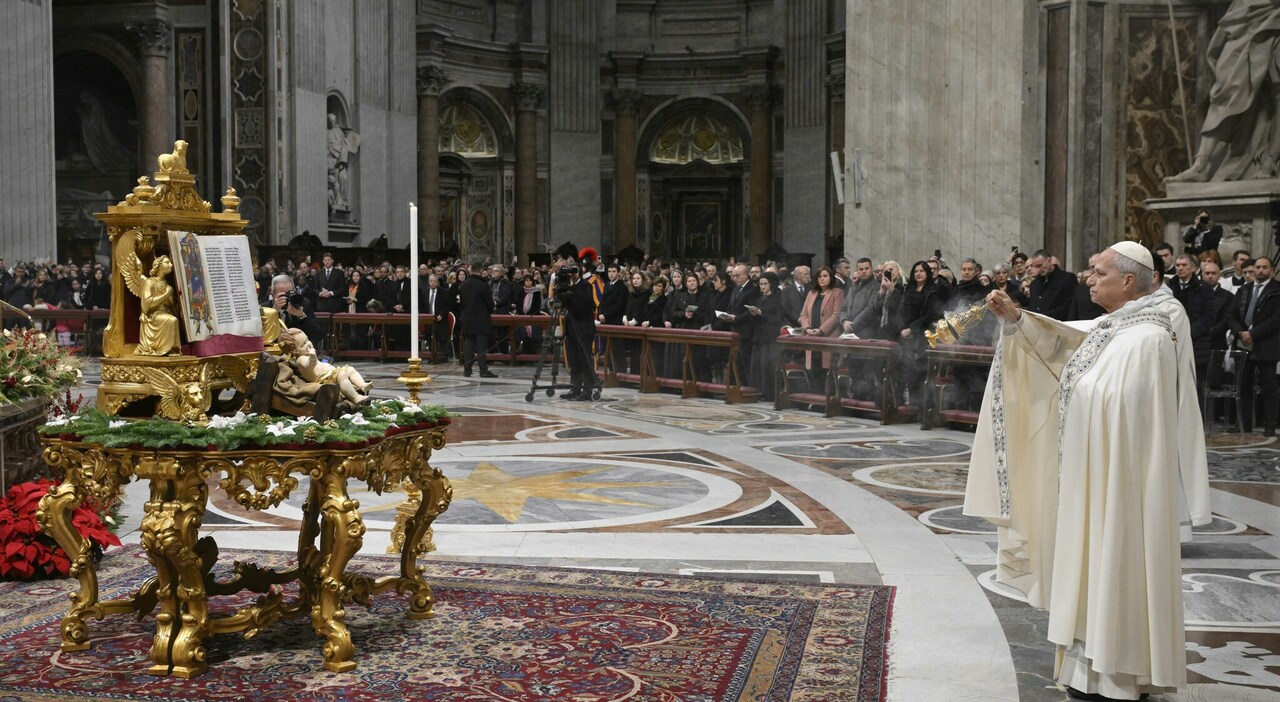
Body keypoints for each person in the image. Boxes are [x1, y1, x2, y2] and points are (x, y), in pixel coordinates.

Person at [965, 241, 1211, 701]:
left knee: (1115, 561)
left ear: (1129, 281)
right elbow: (1064, 344)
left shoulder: (1151, 336)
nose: (1088, 278)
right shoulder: (1115, 326)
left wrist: (1078, 401)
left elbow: (1123, 409)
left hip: (1120, 485)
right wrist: (1018, 319)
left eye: (1097, 272)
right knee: (1089, 565)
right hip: (1090, 475)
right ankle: (1087, 669)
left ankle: (1119, 673)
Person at [1167, 0, 1280, 183]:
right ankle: (1200, 164)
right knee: (1227, 86)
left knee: (1277, 91)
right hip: (1250, 11)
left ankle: (1270, 160)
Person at [1227, 255, 1280, 435]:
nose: (1260, 271)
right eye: (1257, 267)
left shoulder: (1277, 290)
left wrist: (1253, 333)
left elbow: (1276, 320)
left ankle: (1270, 425)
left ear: (1271, 271)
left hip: (1266, 344)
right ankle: (1244, 423)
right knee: (1243, 385)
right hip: (1244, 343)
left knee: (1269, 386)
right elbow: (1231, 315)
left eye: (1265, 268)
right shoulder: (1244, 289)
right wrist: (1240, 332)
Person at [559, 261, 597, 400]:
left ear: (580, 272)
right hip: (571, 330)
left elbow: (581, 306)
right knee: (573, 361)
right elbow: (562, 303)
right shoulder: (566, 286)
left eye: (574, 271)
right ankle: (575, 388)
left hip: (584, 329)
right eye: (570, 271)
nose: (572, 274)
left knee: (584, 359)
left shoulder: (586, 286)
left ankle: (587, 390)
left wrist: (571, 290)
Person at [797, 266, 844, 377]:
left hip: (827, 337)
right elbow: (803, 314)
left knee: (827, 375)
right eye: (819, 276)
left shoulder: (837, 293)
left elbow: (836, 315)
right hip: (812, 338)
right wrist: (807, 328)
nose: (822, 278)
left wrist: (821, 330)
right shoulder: (811, 293)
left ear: (831, 278)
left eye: (825, 276)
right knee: (813, 373)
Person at [748, 271, 786, 401]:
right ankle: (758, 391)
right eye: (760, 284)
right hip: (759, 336)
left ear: (772, 284)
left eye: (765, 284)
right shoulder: (759, 299)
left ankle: (770, 393)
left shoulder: (779, 298)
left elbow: (778, 319)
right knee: (758, 365)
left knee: (768, 366)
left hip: (771, 337)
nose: (762, 287)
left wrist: (761, 313)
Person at [457, 260, 497, 378]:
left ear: (470, 270)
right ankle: (483, 370)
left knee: (468, 345)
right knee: (481, 347)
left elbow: (462, 303)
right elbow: (490, 304)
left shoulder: (464, 284)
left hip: (467, 320)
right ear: (481, 271)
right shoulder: (483, 285)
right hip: (481, 320)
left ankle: (467, 370)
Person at [270, 273, 324, 348]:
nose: (287, 298)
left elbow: (318, 335)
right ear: (273, 295)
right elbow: (263, 337)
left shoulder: (303, 303)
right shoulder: (266, 308)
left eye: (289, 293)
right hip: (276, 351)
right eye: (282, 295)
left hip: (301, 350)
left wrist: (302, 316)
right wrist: (273, 313)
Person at [1026, 249, 1077, 321]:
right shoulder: (1034, 284)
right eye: (1035, 267)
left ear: (1049, 261)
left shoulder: (1067, 278)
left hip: (1059, 323)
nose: (1038, 269)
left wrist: (1044, 317)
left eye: (1040, 265)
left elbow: (1069, 306)